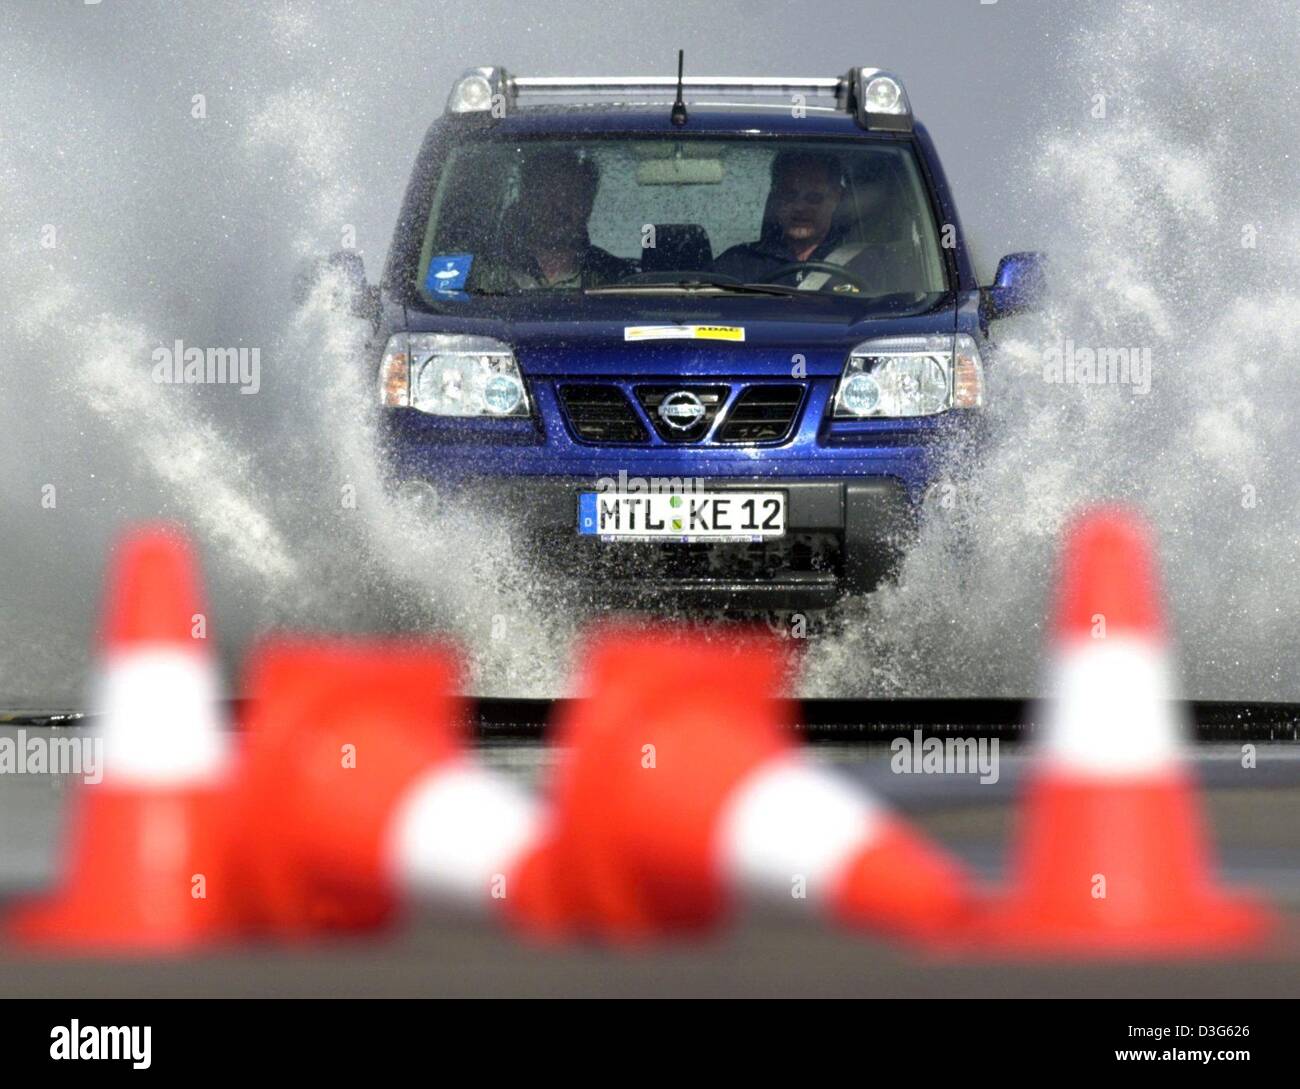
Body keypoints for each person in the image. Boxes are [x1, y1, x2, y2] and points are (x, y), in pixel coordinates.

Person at [475, 149, 635, 291]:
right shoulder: (481, 272)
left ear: (588, 206)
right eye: (547, 196)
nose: (558, 208)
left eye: (571, 197)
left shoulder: (619, 279)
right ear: (525, 201)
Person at [712, 150, 852, 283]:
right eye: (789, 195)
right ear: (775, 197)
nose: (799, 207)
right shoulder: (737, 264)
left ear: (836, 198)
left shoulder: (861, 263)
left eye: (813, 197)